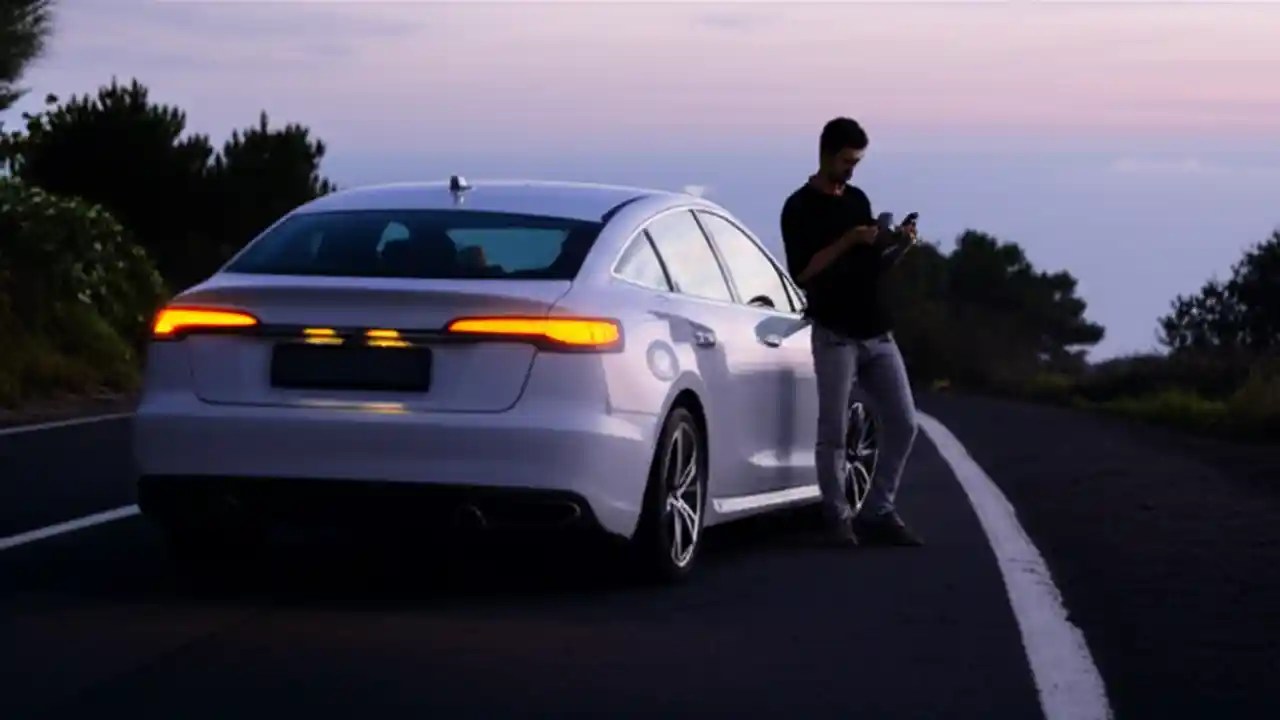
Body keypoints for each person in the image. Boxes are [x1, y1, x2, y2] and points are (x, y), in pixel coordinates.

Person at [780, 116, 924, 548]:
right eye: (846, 162)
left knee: (905, 422)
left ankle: (878, 509)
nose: (851, 171)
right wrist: (847, 240)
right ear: (826, 153)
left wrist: (899, 245)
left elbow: (874, 265)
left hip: (876, 330)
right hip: (835, 333)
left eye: (857, 162)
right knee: (834, 431)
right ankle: (837, 516)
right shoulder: (799, 207)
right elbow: (802, 273)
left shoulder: (858, 200)